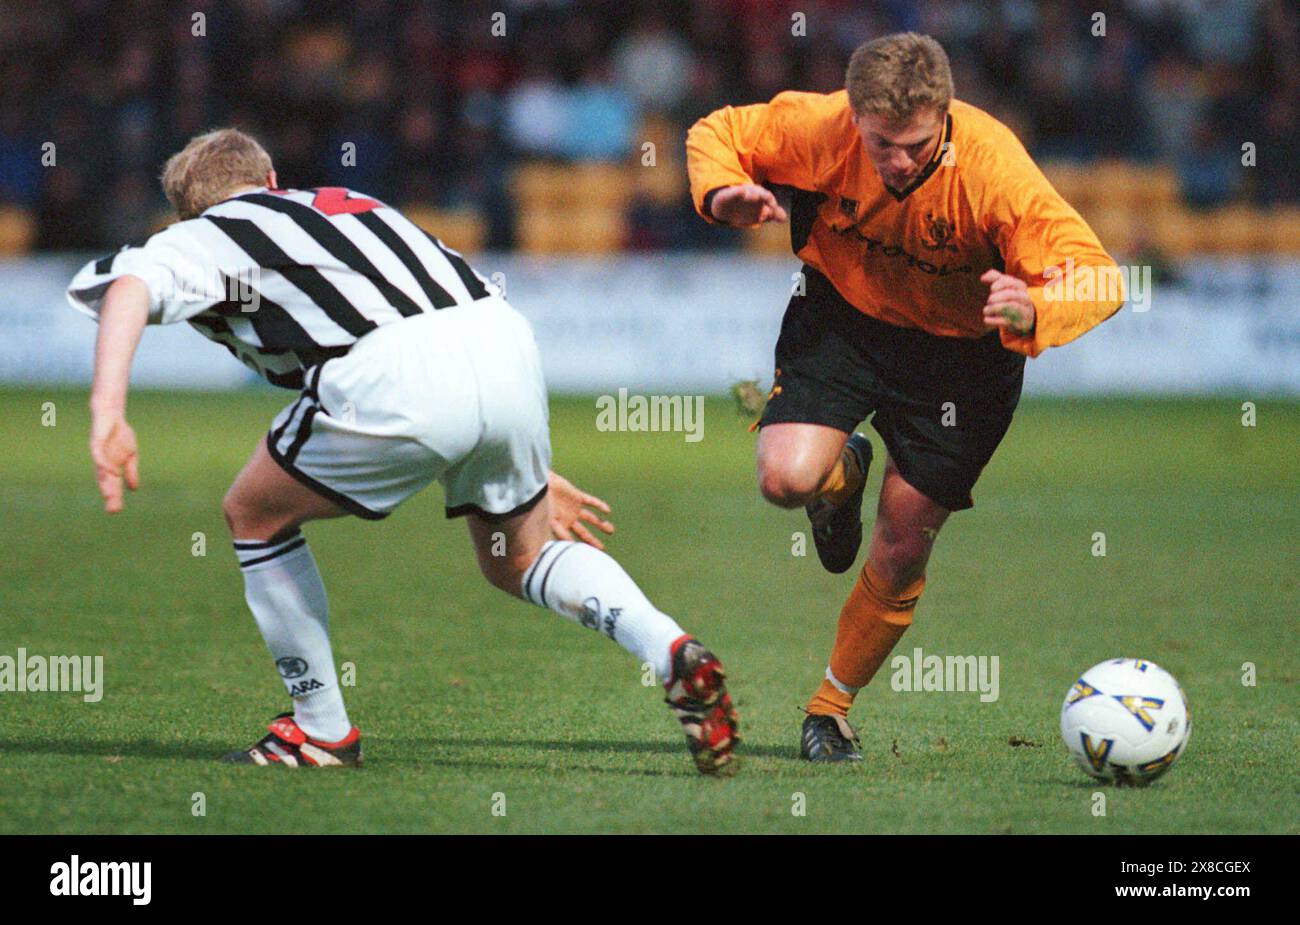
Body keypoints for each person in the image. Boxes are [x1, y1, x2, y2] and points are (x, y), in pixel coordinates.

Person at [69, 128, 738, 774]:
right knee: (520, 555)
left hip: (398, 373)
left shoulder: (206, 234)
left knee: (253, 512)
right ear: (273, 181)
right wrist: (520, 452)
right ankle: (669, 646)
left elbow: (128, 287)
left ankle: (321, 732)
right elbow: (434, 319)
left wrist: (108, 412)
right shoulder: (346, 205)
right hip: (501, 340)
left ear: (189, 209)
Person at [686, 32, 1123, 761]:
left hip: (963, 360)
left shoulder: (994, 170)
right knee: (784, 479)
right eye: (881, 142)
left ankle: (829, 709)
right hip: (845, 320)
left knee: (901, 539)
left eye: (916, 144)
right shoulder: (819, 127)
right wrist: (719, 189)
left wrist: (1036, 311)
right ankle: (839, 475)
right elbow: (718, 130)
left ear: (944, 115)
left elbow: (1099, 276)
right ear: (853, 115)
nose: (898, 161)